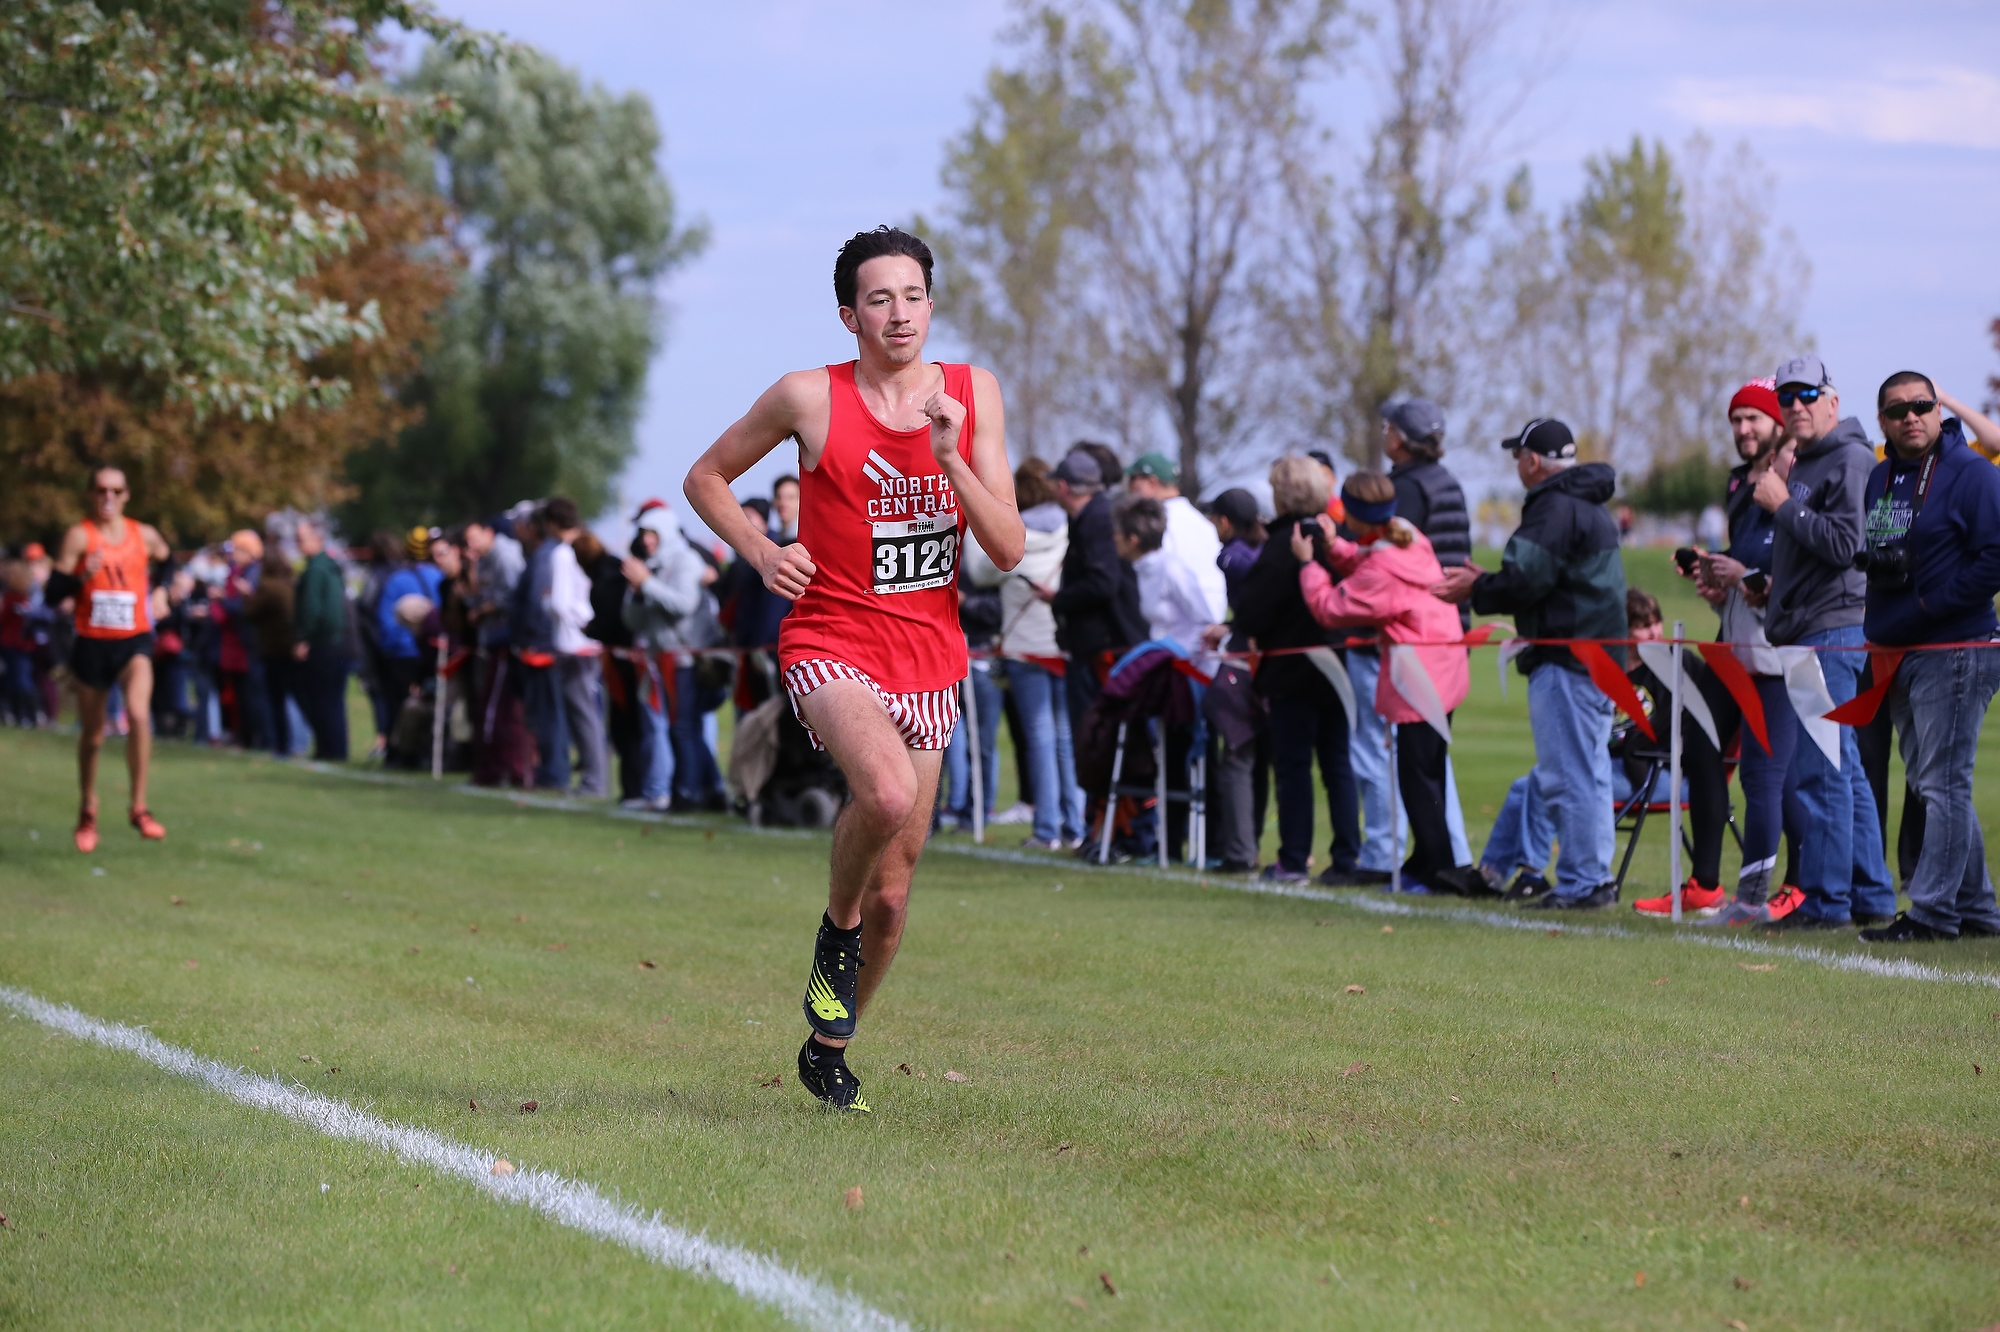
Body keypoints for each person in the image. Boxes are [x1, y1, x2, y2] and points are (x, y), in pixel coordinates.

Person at [682, 225, 1024, 1112]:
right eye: (879, 298)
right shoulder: (808, 396)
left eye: (912, 295)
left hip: (931, 657)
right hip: (831, 638)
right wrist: (760, 550)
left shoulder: (973, 395)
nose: (898, 312)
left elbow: (1011, 547)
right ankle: (834, 933)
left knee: (899, 893)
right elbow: (707, 477)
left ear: (931, 305)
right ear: (850, 315)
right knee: (881, 793)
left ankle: (830, 1046)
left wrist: (950, 456)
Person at [1434, 418, 1626, 910]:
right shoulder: (1582, 504)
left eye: (1517, 456)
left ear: (1533, 461)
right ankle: (1593, 878)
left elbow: (1527, 580)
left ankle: (1583, 882)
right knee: (1589, 772)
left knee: (1569, 777)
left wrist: (1476, 588)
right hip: (1594, 659)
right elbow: (1543, 577)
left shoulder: (1554, 507)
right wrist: (1493, 580)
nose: (1516, 465)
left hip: (1568, 658)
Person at [1637, 379, 1803, 923]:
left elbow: (1804, 565)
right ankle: (1704, 886)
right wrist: (1716, 574)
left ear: (1777, 422)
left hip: (1781, 653)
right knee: (1698, 746)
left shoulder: (1796, 476)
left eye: (1753, 418)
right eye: (1735, 420)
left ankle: (1795, 884)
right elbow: (1747, 558)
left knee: (1778, 774)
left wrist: (1748, 575)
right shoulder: (1738, 482)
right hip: (1735, 647)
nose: (1743, 429)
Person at [1853, 372, 2000, 942]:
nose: (1911, 416)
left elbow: (1994, 559)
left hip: (1955, 646)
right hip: (1899, 648)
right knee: (1931, 781)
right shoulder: (1881, 477)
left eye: (1921, 406)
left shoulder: (1972, 475)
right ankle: (1979, 908)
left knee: (1943, 783)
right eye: (1897, 410)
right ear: (1884, 422)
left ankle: (1934, 914)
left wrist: (1930, 603)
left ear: (1939, 411)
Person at [1755, 355, 1893, 929]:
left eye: (1807, 394)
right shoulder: (1809, 460)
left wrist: (1782, 503)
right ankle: (1870, 896)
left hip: (1832, 631)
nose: (1796, 405)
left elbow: (1845, 546)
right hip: (1812, 625)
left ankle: (1826, 901)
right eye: (1787, 396)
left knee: (1822, 770)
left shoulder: (1852, 458)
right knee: (1847, 770)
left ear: (1832, 400)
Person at [1294, 472, 1474, 892]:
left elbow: (1330, 608)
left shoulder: (1382, 569)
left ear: (1353, 514)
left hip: (1419, 672)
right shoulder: (1405, 536)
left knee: (1418, 775)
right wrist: (1332, 545)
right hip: (1441, 661)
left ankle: (1439, 870)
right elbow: (1365, 560)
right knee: (1425, 771)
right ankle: (1430, 861)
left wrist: (1307, 564)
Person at [1352, 398, 1473, 881]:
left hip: (1413, 636)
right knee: (1431, 759)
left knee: (1417, 764)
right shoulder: (1450, 483)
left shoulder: (1404, 491)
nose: (1384, 435)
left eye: (1387, 428)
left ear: (1399, 438)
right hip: (1450, 631)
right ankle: (1444, 859)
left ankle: (1438, 864)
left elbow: (1386, 567)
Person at [1233, 456, 1365, 886]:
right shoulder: (1336, 535)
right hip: (1337, 664)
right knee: (1337, 763)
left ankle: (1292, 858)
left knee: (1293, 766)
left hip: (1292, 669)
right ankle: (1347, 855)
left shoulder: (1282, 544)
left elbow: (1254, 610)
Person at [46, 467, 172, 850]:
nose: (108, 497)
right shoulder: (79, 536)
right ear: (91, 494)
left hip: (134, 640)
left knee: (137, 714)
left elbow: (167, 562)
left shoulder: (144, 534)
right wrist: (81, 576)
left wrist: (161, 592)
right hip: (92, 643)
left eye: (116, 490)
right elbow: (52, 593)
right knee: (94, 735)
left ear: (126, 495)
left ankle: (139, 806)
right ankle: (88, 807)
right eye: (101, 490)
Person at [967, 459, 1083, 851]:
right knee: (1065, 737)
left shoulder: (1017, 533)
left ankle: (1047, 827)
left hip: (1026, 649)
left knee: (1039, 737)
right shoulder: (1070, 530)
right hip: (1062, 646)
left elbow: (980, 571)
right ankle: (1076, 823)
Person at [1046, 447, 1145, 733]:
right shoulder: (1094, 515)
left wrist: (1058, 599)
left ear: (1064, 487)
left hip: (1105, 649)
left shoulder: (1097, 519)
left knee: (1097, 738)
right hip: (1099, 646)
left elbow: (1103, 584)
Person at [623, 500, 709, 811]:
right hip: (660, 658)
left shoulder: (685, 560)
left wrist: (647, 583)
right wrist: (636, 590)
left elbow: (683, 604)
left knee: (684, 727)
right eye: (643, 533)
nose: (646, 539)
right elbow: (632, 621)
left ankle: (687, 792)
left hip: (686, 658)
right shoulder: (650, 563)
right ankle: (707, 789)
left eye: (652, 533)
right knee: (679, 727)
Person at [1204, 488, 1269, 873]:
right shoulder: (1262, 551)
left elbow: (1254, 605)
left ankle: (1239, 851)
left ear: (1225, 522)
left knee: (1237, 755)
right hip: (1262, 657)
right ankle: (1251, 844)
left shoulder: (1232, 558)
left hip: (1246, 664)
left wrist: (1237, 627)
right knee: (1259, 758)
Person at [539, 497, 608, 797]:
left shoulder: (562, 553)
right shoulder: (588, 544)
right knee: (589, 713)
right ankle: (596, 778)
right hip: (588, 642)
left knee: (583, 715)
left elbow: (559, 602)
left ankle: (595, 781)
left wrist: (547, 602)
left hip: (571, 643)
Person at [1124, 453, 1227, 629]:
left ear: (1152, 483)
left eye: (1134, 480)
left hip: (1180, 632)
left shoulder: (1157, 524)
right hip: (1211, 627)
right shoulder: (1202, 522)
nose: (1129, 488)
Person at [288, 519, 349, 761]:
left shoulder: (316, 570)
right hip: (336, 642)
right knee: (333, 701)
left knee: (322, 700)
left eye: (301, 539)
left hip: (322, 643)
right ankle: (335, 748)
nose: (298, 544)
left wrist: (304, 638)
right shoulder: (330, 566)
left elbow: (312, 609)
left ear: (317, 540)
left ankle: (329, 750)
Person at [243, 549, 298, 756]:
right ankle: (295, 742)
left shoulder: (268, 588)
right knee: (291, 697)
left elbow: (251, 613)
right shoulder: (290, 584)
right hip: (289, 647)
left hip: (274, 649)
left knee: (276, 699)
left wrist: (247, 596)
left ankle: (282, 744)